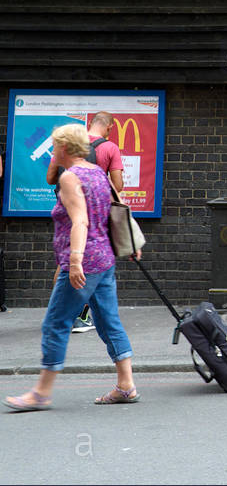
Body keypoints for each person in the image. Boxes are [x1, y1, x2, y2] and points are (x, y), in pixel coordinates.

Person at [4, 124, 139, 411]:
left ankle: (41, 392)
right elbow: (118, 207)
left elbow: (80, 221)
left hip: (84, 263)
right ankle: (126, 385)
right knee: (107, 320)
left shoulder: (70, 177)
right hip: (104, 259)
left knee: (55, 323)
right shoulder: (97, 172)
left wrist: (75, 261)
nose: (52, 151)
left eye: (54, 146)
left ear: (64, 148)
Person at [46, 111, 125, 333]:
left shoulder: (68, 144)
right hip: (96, 214)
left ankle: (64, 314)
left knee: (65, 264)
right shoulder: (109, 148)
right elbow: (116, 186)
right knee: (97, 262)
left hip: (67, 211)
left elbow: (50, 178)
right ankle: (84, 316)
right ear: (109, 127)